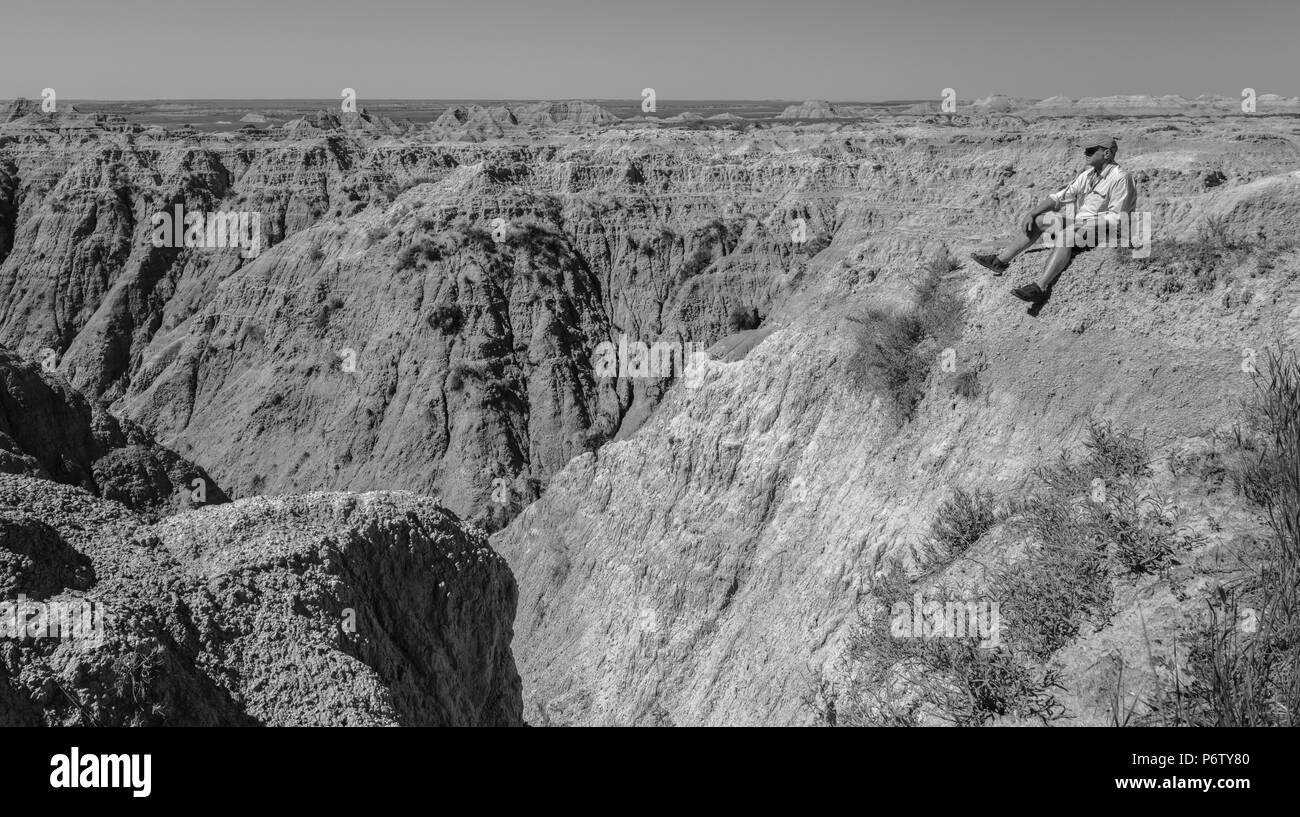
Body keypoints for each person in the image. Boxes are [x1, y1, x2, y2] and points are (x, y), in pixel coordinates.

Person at [970, 135, 1138, 302]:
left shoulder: (1121, 178)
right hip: (1085, 224)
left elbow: (1117, 218)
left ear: (1107, 154)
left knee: (1068, 234)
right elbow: (1060, 197)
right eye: (1086, 150)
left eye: (1091, 150)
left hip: (1108, 232)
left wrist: (1080, 226)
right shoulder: (1088, 175)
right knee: (1039, 221)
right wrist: (1032, 213)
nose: (1085, 153)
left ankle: (1040, 287)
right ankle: (999, 261)